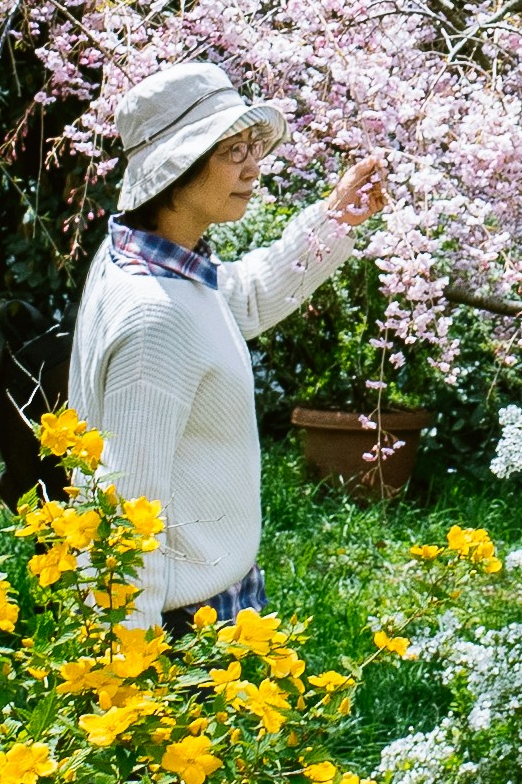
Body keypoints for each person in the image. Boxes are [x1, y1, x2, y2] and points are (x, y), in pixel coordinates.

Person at [64, 60, 390, 634]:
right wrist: (127, 677)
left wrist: (332, 222)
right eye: (231, 152)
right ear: (177, 168)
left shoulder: (156, 267)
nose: (252, 169)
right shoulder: (154, 317)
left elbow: (243, 298)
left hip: (214, 605)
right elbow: (122, 511)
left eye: (251, 147)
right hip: (179, 632)